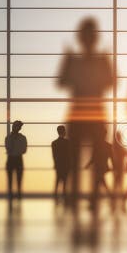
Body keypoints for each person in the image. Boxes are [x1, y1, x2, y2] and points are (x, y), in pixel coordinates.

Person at [57, 17, 113, 209]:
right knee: (81, 158)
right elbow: (61, 82)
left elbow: (62, 82)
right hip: (89, 114)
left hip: (85, 114)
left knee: (91, 159)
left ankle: (85, 198)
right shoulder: (85, 60)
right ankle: (85, 198)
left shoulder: (88, 60)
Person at [85, 129, 113, 202]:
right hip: (103, 167)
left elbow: (93, 158)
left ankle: (94, 198)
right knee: (100, 182)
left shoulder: (97, 145)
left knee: (99, 182)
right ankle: (109, 196)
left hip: (98, 167)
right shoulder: (108, 146)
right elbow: (111, 157)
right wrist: (113, 166)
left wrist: (88, 165)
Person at [5, 120, 27, 201]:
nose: (14, 127)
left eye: (17, 126)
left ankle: (18, 195)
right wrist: (17, 149)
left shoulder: (22, 138)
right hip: (12, 159)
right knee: (10, 179)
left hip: (17, 159)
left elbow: (24, 150)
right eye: (14, 126)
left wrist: (15, 150)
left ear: (19, 128)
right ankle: (11, 195)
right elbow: (8, 148)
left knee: (19, 179)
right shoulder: (8, 137)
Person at [51, 125, 71, 202]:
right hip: (66, 164)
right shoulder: (68, 143)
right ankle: (64, 196)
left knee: (58, 180)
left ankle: (55, 196)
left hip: (59, 164)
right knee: (65, 181)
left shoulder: (54, 143)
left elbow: (54, 155)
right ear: (64, 132)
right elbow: (69, 155)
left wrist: (55, 163)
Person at [111, 129, 127, 198]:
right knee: (119, 179)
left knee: (117, 179)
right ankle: (119, 193)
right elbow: (125, 152)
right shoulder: (119, 145)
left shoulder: (115, 145)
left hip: (117, 163)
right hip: (120, 164)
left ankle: (115, 193)